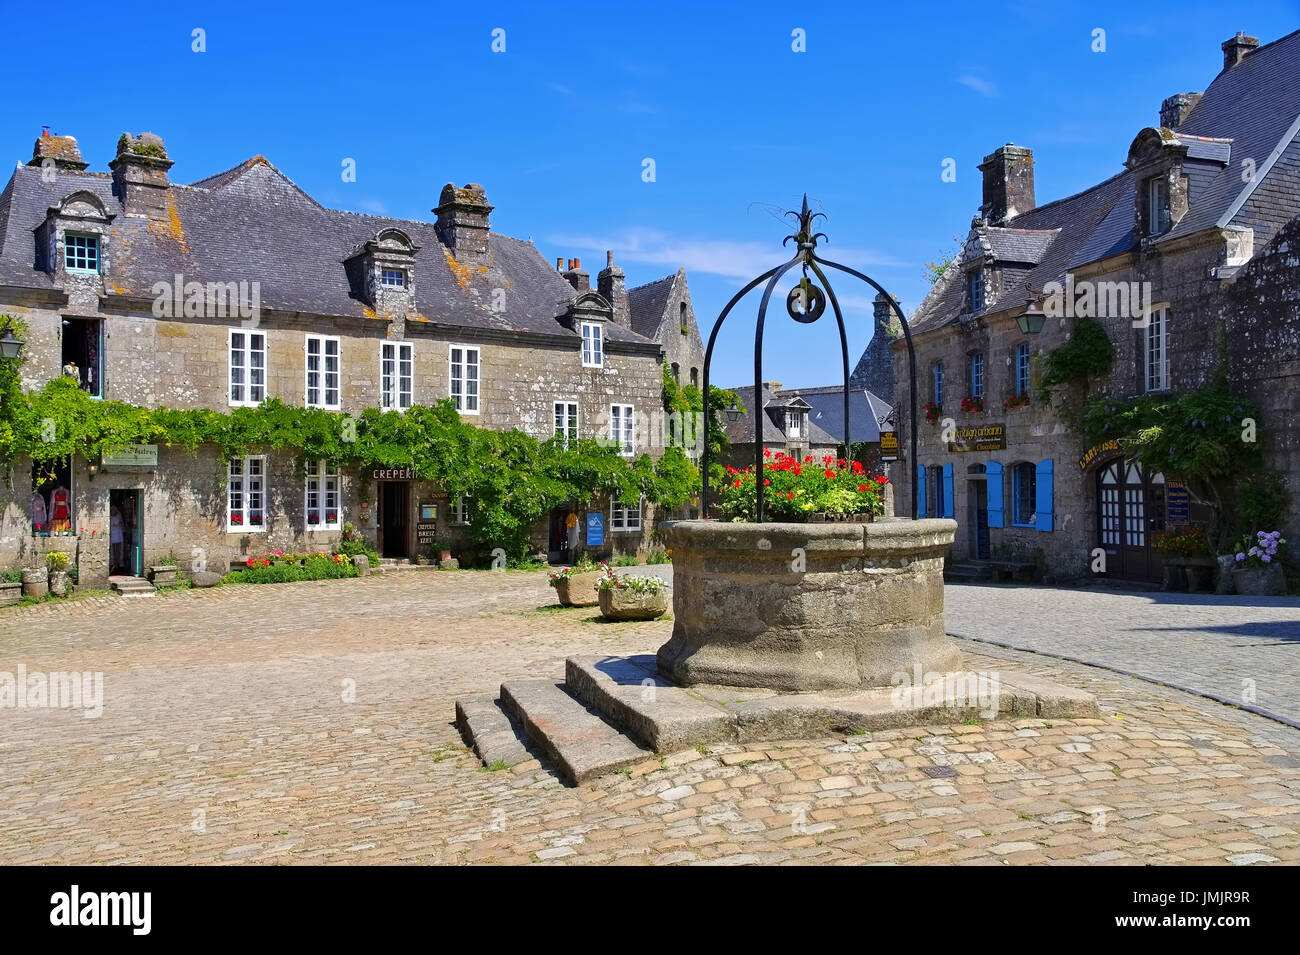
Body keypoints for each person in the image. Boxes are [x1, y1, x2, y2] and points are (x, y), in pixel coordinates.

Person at [110, 505, 124, 571]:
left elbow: (121, 523)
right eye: (112, 509)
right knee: (112, 549)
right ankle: (112, 563)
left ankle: (119, 563)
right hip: (112, 533)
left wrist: (120, 525)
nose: (114, 510)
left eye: (115, 509)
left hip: (118, 533)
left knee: (119, 549)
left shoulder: (119, 515)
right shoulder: (109, 516)